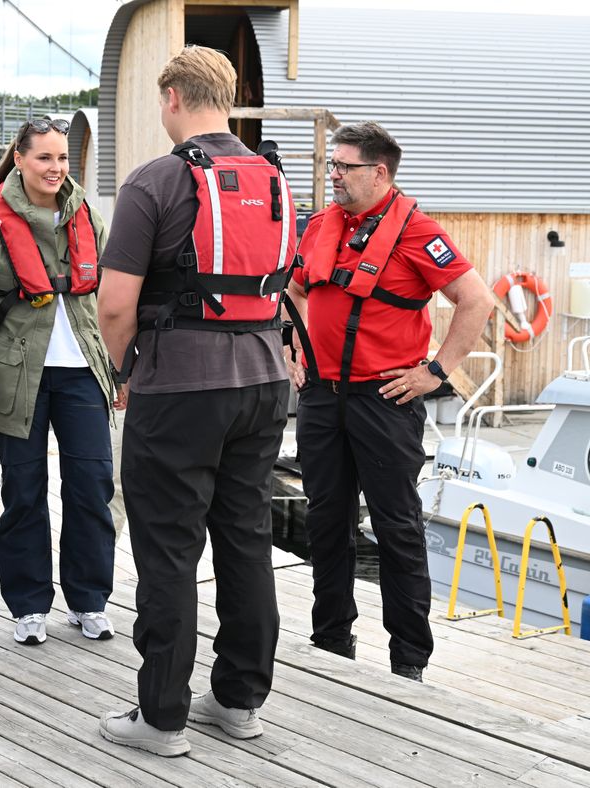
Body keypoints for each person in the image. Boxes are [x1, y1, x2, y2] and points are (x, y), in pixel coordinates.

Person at [97, 46, 291, 756]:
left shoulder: (154, 181)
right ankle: (238, 701)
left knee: (169, 551)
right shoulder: (273, 176)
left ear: (172, 98)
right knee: (245, 540)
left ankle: (161, 719)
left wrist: (125, 369)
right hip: (265, 382)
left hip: (180, 387)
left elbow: (114, 305)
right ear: (228, 98)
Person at [283, 121, 494, 683]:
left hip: (385, 400)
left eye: (344, 166)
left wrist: (435, 372)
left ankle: (409, 660)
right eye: (331, 165)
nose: (333, 175)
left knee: (397, 527)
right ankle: (331, 640)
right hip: (321, 398)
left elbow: (477, 300)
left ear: (379, 173)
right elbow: (296, 290)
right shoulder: (320, 226)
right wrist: (292, 347)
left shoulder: (418, 231)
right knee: (326, 521)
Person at [0, 117, 118, 646]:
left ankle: (89, 600)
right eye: (44, 157)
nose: (56, 168)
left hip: (84, 373)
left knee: (92, 487)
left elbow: (114, 297)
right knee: (23, 492)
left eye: (62, 158)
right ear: (19, 159)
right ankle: (27, 605)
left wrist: (121, 368)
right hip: (16, 376)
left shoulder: (87, 215)